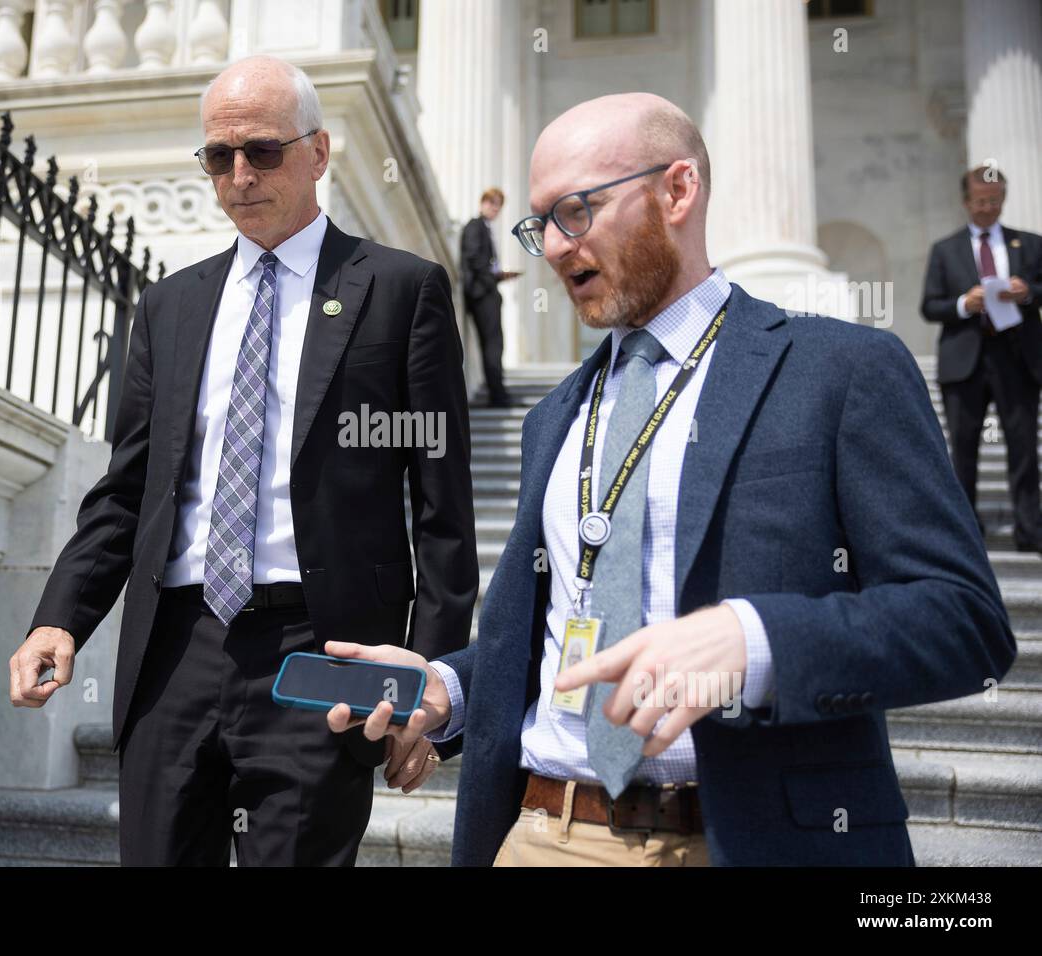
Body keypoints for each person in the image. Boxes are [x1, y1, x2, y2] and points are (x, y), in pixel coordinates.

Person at [324, 92, 1015, 866]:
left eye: (577, 210)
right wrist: (449, 684)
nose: (552, 247)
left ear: (678, 190)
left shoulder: (841, 372)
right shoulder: (552, 416)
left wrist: (753, 643)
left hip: (748, 843)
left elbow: (964, 622)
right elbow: (568, 636)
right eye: (539, 222)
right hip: (541, 835)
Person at [8, 55, 477, 866]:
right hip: (174, 650)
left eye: (262, 151)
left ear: (319, 153)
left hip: (322, 655)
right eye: (217, 157)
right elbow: (128, 493)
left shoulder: (400, 292)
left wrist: (426, 685)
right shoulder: (169, 305)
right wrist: (61, 616)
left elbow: (442, 511)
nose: (238, 174)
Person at [920, 166, 1042, 549]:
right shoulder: (945, 249)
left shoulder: (1031, 244)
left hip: (1017, 358)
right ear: (966, 202)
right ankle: (965, 532)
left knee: (1023, 449)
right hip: (965, 361)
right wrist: (963, 303)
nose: (988, 208)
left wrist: (1027, 293)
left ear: (1003, 200)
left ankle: (1030, 531)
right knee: (964, 450)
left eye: (994, 200)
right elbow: (929, 305)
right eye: (980, 201)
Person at [460, 188, 519, 406]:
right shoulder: (475, 226)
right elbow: (474, 259)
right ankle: (498, 395)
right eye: (492, 204)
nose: (495, 209)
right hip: (482, 295)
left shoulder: (484, 228)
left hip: (486, 292)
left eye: (498, 206)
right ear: (483, 203)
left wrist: (499, 276)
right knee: (494, 344)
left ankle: (498, 393)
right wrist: (490, 282)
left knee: (494, 344)